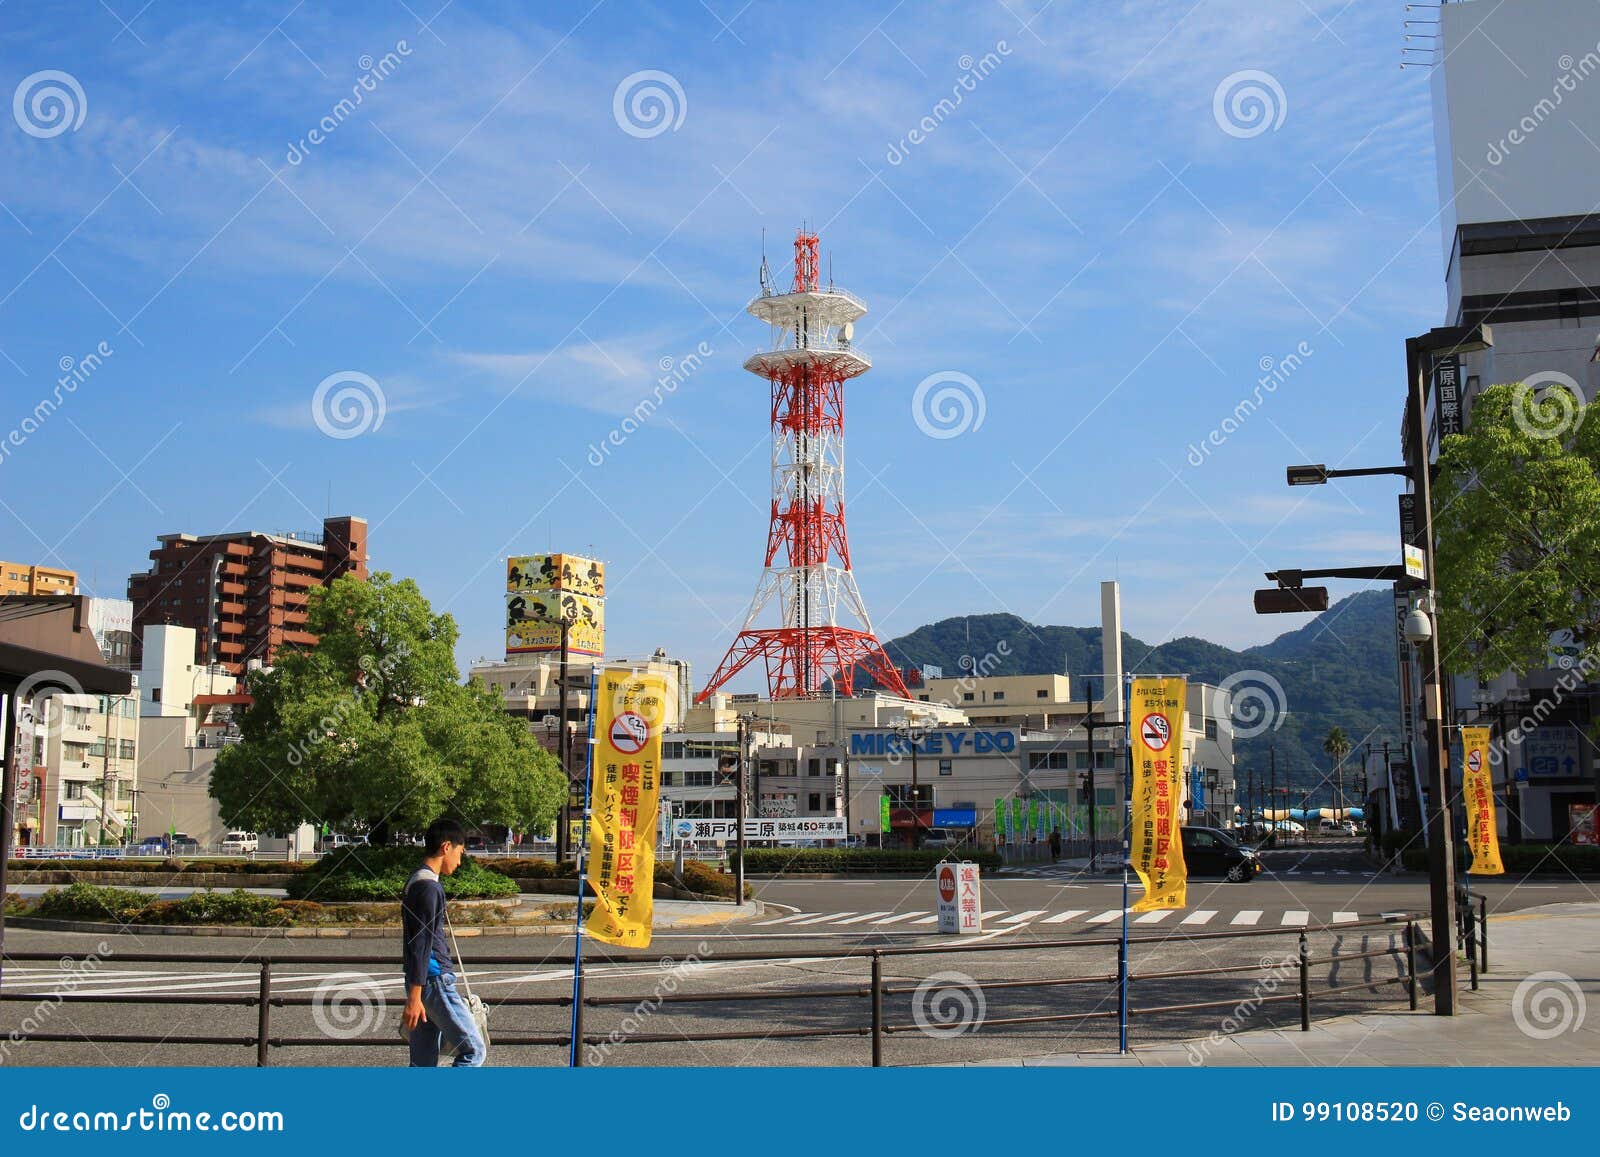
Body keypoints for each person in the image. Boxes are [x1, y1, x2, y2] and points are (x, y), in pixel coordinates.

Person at [402, 818, 486, 1067]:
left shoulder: (415, 880)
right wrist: (415, 997)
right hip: (435, 980)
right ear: (446, 847)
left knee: (423, 1061)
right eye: (460, 853)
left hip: (420, 980)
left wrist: (414, 992)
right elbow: (422, 943)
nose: (459, 862)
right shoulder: (429, 888)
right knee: (474, 1051)